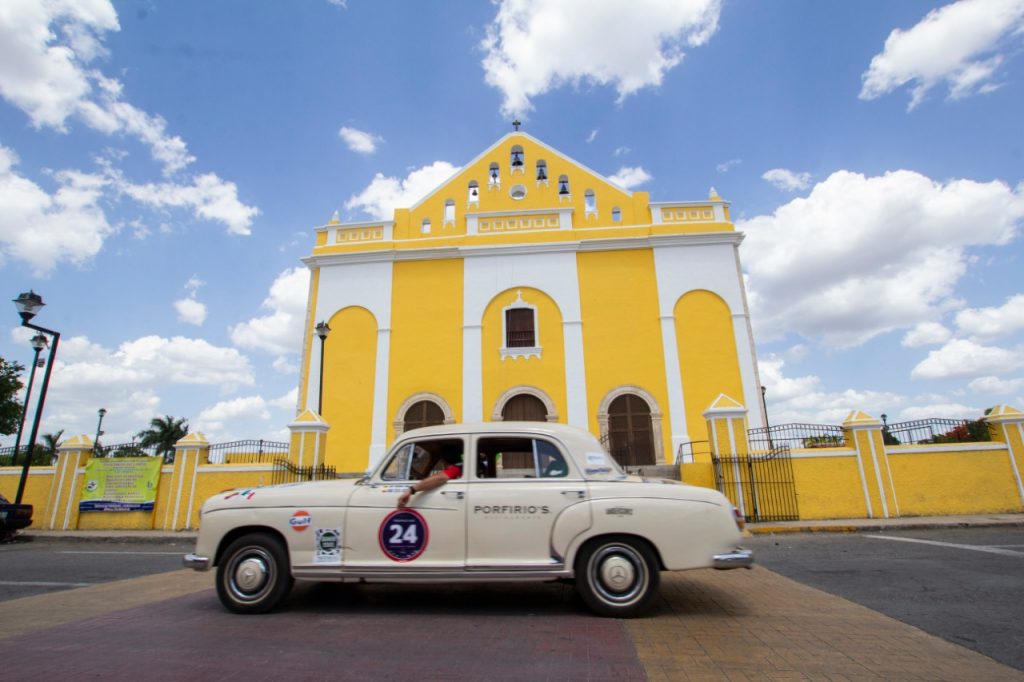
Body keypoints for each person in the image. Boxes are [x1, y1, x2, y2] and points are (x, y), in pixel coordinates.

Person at [396, 454, 462, 509]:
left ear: (444, 461)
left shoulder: (455, 469)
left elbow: (439, 478)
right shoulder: (457, 469)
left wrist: (411, 490)